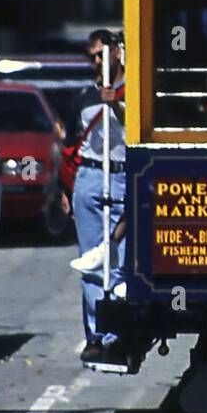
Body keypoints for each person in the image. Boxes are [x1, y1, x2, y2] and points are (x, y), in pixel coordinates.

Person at [63, 29, 127, 365]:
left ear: (117, 53)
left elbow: (138, 127)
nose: (97, 62)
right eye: (92, 57)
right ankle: (96, 335)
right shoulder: (83, 97)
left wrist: (113, 103)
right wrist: (66, 189)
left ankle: (118, 335)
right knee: (90, 261)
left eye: (101, 55)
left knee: (116, 260)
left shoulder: (134, 90)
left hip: (121, 175)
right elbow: (70, 144)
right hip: (90, 175)